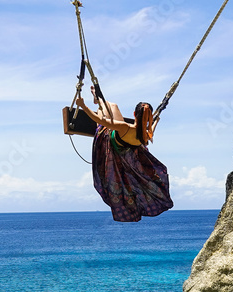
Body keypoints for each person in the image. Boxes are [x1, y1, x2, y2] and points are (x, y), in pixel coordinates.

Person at [73, 86, 173, 222]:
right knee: (111, 107)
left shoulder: (125, 127)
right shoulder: (145, 134)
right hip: (125, 148)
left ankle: (98, 99)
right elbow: (151, 130)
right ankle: (98, 99)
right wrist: (155, 122)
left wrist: (83, 106)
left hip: (108, 141)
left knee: (105, 110)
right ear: (148, 119)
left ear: (134, 114)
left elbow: (100, 121)